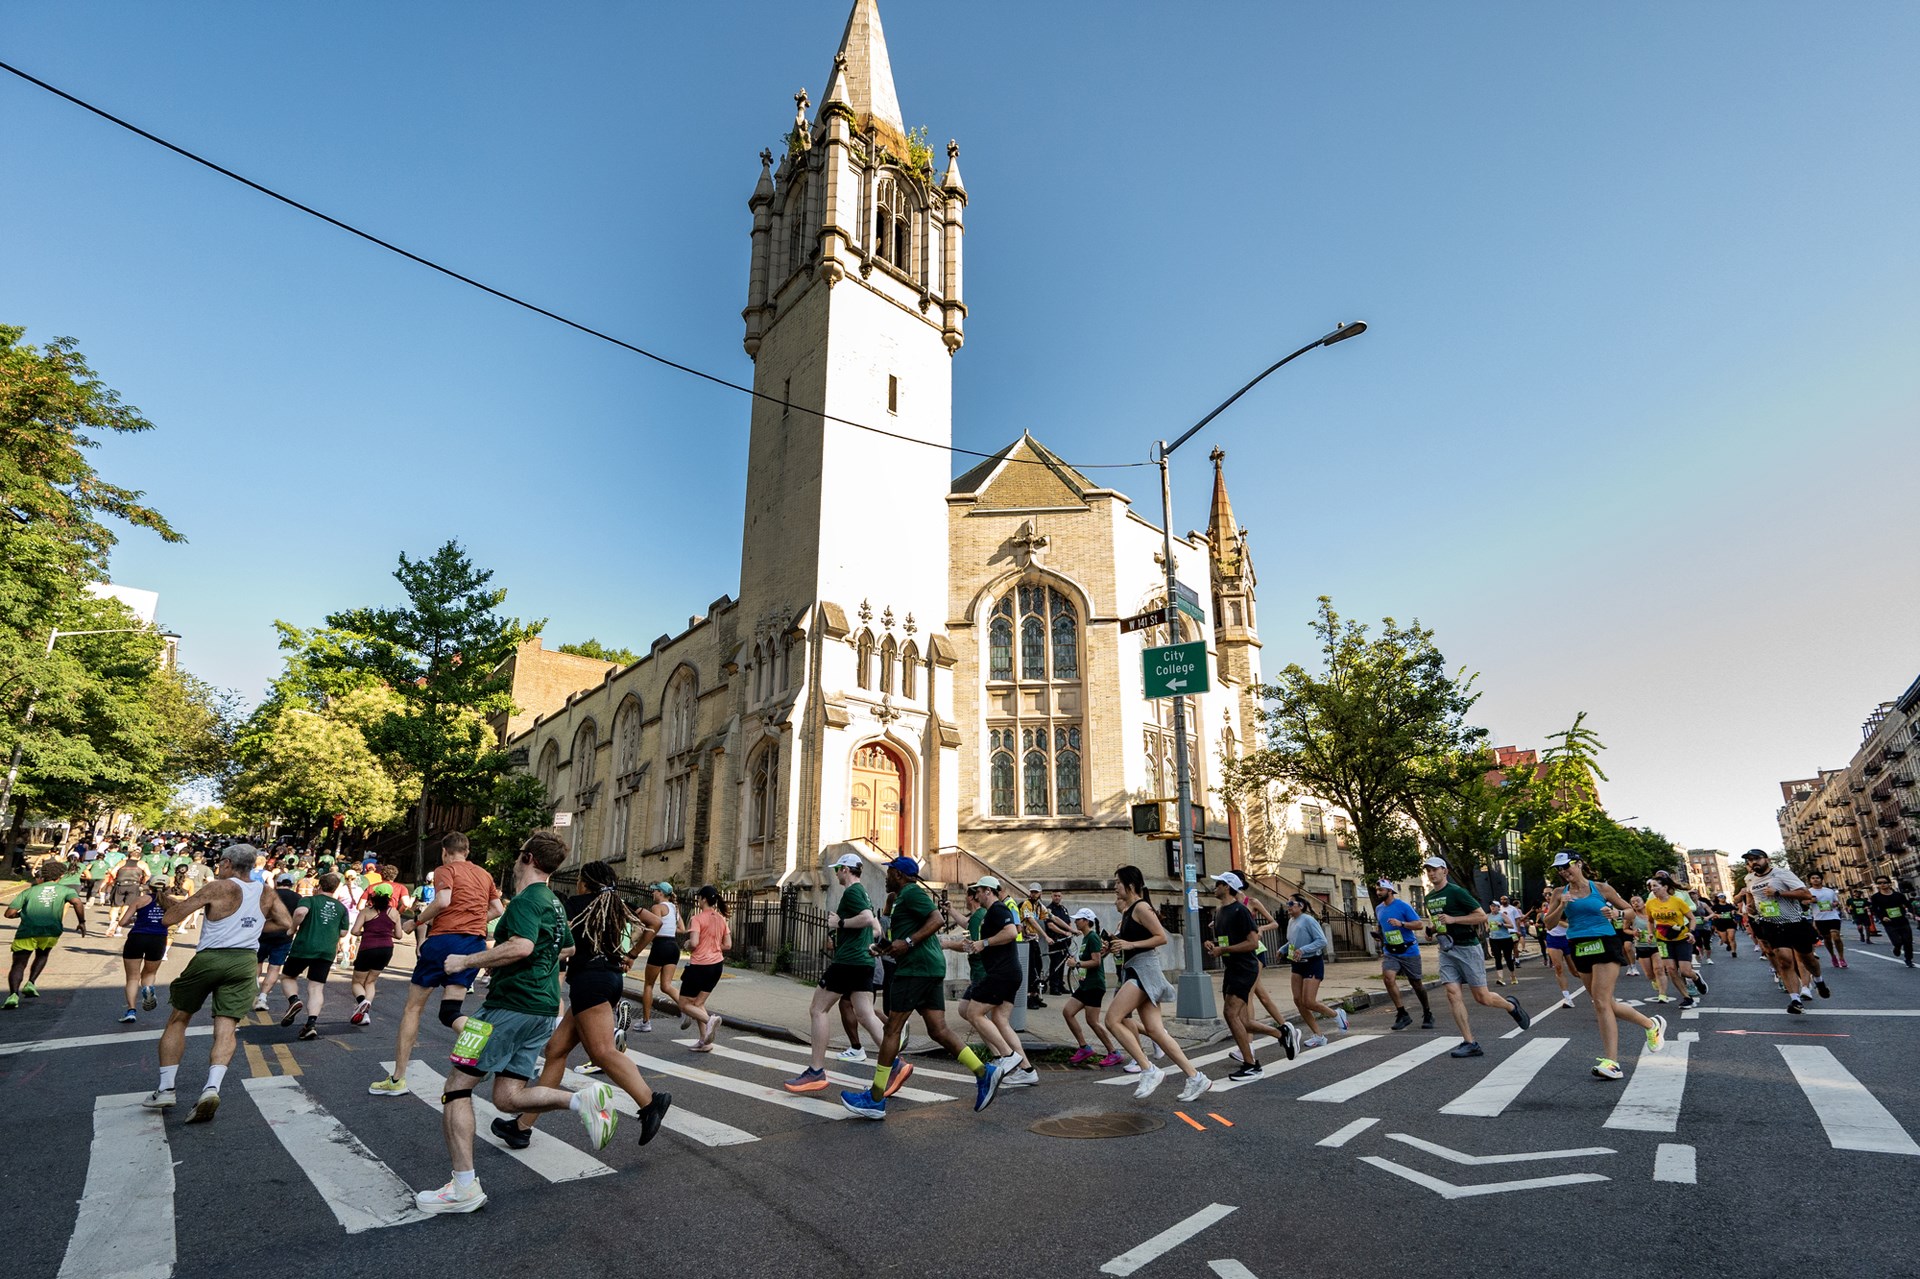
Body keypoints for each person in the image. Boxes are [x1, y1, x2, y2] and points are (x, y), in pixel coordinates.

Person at [416, 831, 616, 1214]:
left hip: (505, 1008)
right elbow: (568, 947)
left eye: (517, 852)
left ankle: (464, 1187)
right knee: (507, 1097)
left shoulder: (526, 900)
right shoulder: (554, 903)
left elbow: (522, 946)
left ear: (526, 858)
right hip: (542, 1009)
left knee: (457, 1087)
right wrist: (538, 961)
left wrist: (464, 962)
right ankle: (583, 1100)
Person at [500, 860, 671, 1149]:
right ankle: (522, 1127)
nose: (577, 883)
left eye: (580, 879)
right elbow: (654, 923)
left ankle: (650, 1102)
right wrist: (631, 954)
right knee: (556, 1050)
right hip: (610, 979)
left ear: (585, 882)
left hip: (589, 982)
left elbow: (554, 936)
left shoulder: (575, 903)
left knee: (602, 1051)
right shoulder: (617, 902)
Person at [840, 856, 1004, 1119]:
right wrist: (885, 947)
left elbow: (937, 919)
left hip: (916, 969)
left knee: (892, 1029)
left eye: (890, 872)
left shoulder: (912, 892)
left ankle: (875, 1097)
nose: (886, 876)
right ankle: (985, 1073)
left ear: (901, 876)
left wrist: (907, 942)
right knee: (938, 1029)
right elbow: (902, 933)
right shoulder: (900, 898)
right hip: (927, 967)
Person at [142, 845, 294, 1121]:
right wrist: (254, 926)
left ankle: (166, 1088)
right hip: (245, 963)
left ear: (226, 863)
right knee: (227, 1026)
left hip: (211, 957)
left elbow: (170, 918)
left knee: (179, 1018)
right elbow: (285, 922)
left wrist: (167, 903)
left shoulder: (217, 887)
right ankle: (211, 1087)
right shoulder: (266, 892)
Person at [370, 832, 503, 1097]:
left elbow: (443, 901)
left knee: (413, 1008)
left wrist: (416, 921)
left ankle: (398, 1078)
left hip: (443, 942)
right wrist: (474, 921)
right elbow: (498, 909)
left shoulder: (445, 869)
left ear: (444, 851)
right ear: (468, 850)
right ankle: (482, 1039)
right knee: (449, 1012)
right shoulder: (485, 874)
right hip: (472, 945)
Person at [1542, 850, 1666, 1080]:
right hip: (1579, 945)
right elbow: (1549, 925)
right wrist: (1560, 906)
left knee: (1600, 1001)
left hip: (1605, 941)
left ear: (1578, 863)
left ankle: (1612, 1063)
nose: (1563, 871)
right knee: (1606, 1003)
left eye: (1566, 865)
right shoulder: (1559, 892)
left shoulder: (1601, 888)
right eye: (1559, 869)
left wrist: (1617, 912)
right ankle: (1651, 1025)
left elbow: (1629, 909)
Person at [1098, 864, 1213, 1102]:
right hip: (1136, 970)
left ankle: (1148, 1069)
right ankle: (1196, 1077)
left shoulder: (1141, 907)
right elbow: (1133, 939)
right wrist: (1114, 944)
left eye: (1118, 882)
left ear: (1130, 885)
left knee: (1112, 1019)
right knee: (1155, 1031)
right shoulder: (1128, 910)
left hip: (1143, 971)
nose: (1115, 887)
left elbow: (1161, 937)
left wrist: (1129, 945)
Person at [786, 854, 889, 1092]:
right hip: (863, 962)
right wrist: (863, 941)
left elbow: (865, 919)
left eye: (837, 870)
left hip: (847, 962)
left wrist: (840, 924)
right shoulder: (863, 892)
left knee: (818, 1009)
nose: (835, 874)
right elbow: (875, 927)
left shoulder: (852, 891)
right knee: (865, 1015)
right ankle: (894, 1063)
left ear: (846, 869)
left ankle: (816, 1071)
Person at [1418, 856, 1529, 1058]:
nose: (1431, 873)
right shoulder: (1429, 897)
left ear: (1445, 871)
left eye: (1435, 869)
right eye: (1428, 870)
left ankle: (1511, 1006)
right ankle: (1470, 1042)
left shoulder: (1456, 892)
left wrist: (1454, 919)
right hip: (1447, 950)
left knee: (1482, 998)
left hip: (1468, 948)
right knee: (1452, 993)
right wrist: (1431, 929)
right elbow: (1440, 921)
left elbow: (1481, 916)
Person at [949, 877, 1038, 1087]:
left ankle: (1007, 1057)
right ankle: (1027, 1070)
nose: (976, 895)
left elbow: (1011, 932)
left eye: (978, 891)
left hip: (1002, 974)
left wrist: (985, 942)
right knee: (1000, 1020)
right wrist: (977, 945)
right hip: (1009, 973)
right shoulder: (991, 913)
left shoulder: (998, 909)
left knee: (973, 1012)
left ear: (988, 891)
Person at [1206, 873, 1295, 1080]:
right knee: (1242, 1020)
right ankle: (1282, 1033)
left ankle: (1251, 1065)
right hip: (1231, 967)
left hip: (1245, 967)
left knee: (1230, 1014)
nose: (1214, 886)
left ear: (1227, 887)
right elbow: (1223, 941)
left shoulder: (1240, 911)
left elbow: (1253, 943)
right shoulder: (1219, 912)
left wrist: (1224, 948)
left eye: (1218, 883)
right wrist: (1213, 945)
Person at [1736, 848, 1826, 1012]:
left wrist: (1778, 893)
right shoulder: (1749, 880)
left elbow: (1805, 894)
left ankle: (1819, 980)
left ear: (1767, 859)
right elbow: (1754, 900)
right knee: (1784, 960)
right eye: (1749, 860)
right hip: (1771, 924)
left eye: (1757, 858)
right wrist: (1752, 909)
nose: (1753, 862)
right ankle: (1795, 1000)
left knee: (1808, 960)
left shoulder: (1782, 874)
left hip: (1794, 922)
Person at [6, 860, 89, 1009]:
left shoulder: (29, 891)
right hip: (50, 931)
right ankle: (31, 983)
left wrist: (20, 915)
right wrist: (81, 922)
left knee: (18, 964)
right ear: (61, 875)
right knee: (42, 955)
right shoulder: (66, 890)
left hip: (26, 931)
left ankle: (13, 995)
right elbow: (77, 903)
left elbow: (9, 913)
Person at [280, 872, 350, 1040]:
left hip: (305, 946)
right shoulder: (341, 908)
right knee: (316, 987)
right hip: (326, 951)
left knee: (287, 977)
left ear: (319, 885)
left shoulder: (309, 900)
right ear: (336, 888)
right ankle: (311, 1024)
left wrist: (292, 928)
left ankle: (294, 1000)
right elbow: (343, 932)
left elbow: (299, 913)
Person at [1280, 894, 1346, 1048]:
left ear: (1301, 906)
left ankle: (1337, 1014)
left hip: (1312, 963)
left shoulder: (1308, 920)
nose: (1288, 906)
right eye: (1287, 903)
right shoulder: (1291, 921)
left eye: (1291, 903)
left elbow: (1322, 940)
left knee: (1308, 1001)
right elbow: (1292, 941)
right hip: (1297, 964)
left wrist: (1303, 949)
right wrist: (1282, 949)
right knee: (1298, 1001)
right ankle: (1319, 1035)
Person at [674, 885, 731, 1050]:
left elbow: (694, 943)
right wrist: (714, 945)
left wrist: (686, 944)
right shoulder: (721, 919)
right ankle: (704, 1041)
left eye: (699, 897)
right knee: (698, 1003)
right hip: (717, 966)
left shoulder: (697, 918)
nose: (698, 900)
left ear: (704, 899)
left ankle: (710, 1021)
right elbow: (728, 944)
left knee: (684, 1004)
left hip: (700, 966)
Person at [1061, 908, 1120, 1065]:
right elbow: (1099, 955)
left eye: (1078, 919)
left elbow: (1096, 962)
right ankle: (1084, 1047)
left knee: (1092, 1021)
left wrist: (1077, 963)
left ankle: (1113, 1052)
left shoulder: (1092, 937)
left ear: (1086, 921)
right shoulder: (1087, 938)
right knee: (1068, 1012)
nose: (1075, 921)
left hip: (1094, 985)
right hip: (1085, 984)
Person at [1372, 879, 1434, 1030]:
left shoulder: (1403, 906)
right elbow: (1383, 926)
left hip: (1409, 950)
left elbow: (1419, 924)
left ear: (1389, 891)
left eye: (1381, 890)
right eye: (1377, 890)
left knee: (1416, 984)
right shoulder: (1379, 908)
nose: (1378, 892)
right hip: (1390, 951)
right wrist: (1380, 936)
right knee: (1388, 978)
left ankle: (1427, 1012)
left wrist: (1402, 924)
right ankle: (1402, 1013)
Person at [117, 874, 173, 1022]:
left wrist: (135, 919)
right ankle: (148, 988)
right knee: (149, 973)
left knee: (132, 977)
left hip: (137, 937)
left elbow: (122, 922)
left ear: (149, 886)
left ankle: (131, 1011)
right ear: (168, 887)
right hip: (158, 939)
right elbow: (173, 921)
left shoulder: (140, 900)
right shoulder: (171, 903)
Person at [1645, 877, 1707, 1008]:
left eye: (1655, 886)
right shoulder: (1650, 904)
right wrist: (1650, 933)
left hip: (1681, 938)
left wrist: (1691, 931)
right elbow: (1650, 921)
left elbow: (1692, 918)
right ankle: (1687, 998)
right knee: (1671, 969)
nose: (1653, 889)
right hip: (1663, 940)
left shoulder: (1678, 901)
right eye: (1651, 887)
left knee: (1685, 971)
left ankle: (1696, 978)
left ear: (1665, 887)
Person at [348, 885, 403, 1025]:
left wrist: (365, 933)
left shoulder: (366, 911)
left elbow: (354, 931)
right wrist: (385, 933)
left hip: (368, 948)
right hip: (386, 949)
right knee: (371, 981)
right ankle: (365, 1012)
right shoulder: (394, 912)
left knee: (357, 982)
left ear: (374, 896)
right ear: (390, 897)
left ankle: (362, 1003)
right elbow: (399, 935)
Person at [255, 872, 303, 1012]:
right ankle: (263, 998)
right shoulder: (298, 898)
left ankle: (251, 992)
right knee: (274, 967)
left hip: (263, 934)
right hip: (284, 937)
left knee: (256, 963)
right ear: (292, 884)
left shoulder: (268, 894)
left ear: (277, 883)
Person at [636, 882, 680, 1034]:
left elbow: (654, 926)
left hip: (660, 945)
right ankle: (688, 1009)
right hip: (673, 946)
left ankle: (646, 1022)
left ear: (661, 892)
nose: (652, 893)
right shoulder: (675, 908)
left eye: (654, 891)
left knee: (649, 984)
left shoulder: (657, 907)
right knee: (666, 985)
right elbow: (682, 928)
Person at [1868, 876, 1913, 966]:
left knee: (1908, 941)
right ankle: (1897, 947)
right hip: (1889, 923)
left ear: (1889, 883)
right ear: (1877, 885)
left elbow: (1908, 904)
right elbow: (1875, 909)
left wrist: (1910, 912)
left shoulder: (1898, 895)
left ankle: (1908, 960)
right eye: (1879, 883)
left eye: (1884, 882)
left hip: (1902, 920)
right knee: (1897, 941)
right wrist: (1882, 917)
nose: (1882, 885)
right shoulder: (1876, 897)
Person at [1807, 872, 1848, 969]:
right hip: (1820, 918)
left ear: (1821, 879)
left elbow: (1836, 901)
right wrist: (1810, 901)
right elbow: (1804, 903)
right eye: (1813, 878)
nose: (1815, 879)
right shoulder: (1808, 892)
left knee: (1836, 937)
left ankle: (1841, 958)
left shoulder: (1829, 891)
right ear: (1810, 880)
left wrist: (1835, 904)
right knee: (1827, 939)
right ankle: (1833, 956)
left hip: (1833, 916)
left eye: (1817, 877)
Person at [104, 855, 149, 937]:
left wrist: (115, 878)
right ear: (139, 857)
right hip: (134, 885)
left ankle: (112, 922)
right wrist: (143, 881)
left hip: (120, 884)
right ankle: (119, 928)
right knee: (126, 907)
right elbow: (148, 874)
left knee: (115, 907)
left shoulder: (122, 862)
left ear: (128, 857)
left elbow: (112, 871)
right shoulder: (142, 863)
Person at [1486, 897, 1519, 985]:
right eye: (1491, 906)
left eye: (1494, 906)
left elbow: (1511, 925)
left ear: (1498, 907)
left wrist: (1502, 924)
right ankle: (1500, 978)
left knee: (1508, 958)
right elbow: (1486, 926)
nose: (1492, 907)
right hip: (1494, 939)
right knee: (1497, 958)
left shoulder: (1502, 915)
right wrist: (1487, 929)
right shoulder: (1488, 916)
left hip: (1505, 939)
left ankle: (1513, 976)